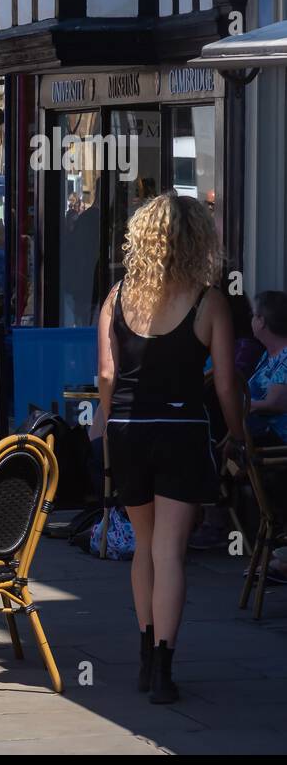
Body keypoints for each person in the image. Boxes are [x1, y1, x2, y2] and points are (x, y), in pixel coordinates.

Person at [97, 193, 244, 705]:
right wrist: (237, 433)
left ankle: (143, 652)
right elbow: (225, 384)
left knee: (143, 546)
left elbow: (107, 374)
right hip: (182, 429)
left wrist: (105, 425)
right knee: (170, 553)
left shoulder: (117, 297)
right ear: (196, 239)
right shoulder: (209, 301)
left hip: (129, 429)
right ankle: (163, 666)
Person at [247, 290, 287, 447]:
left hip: (276, 444)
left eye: (253, 315)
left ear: (262, 321)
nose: (250, 319)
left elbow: (276, 404)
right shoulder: (268, 355)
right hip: (259, 438)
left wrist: (237, 405)